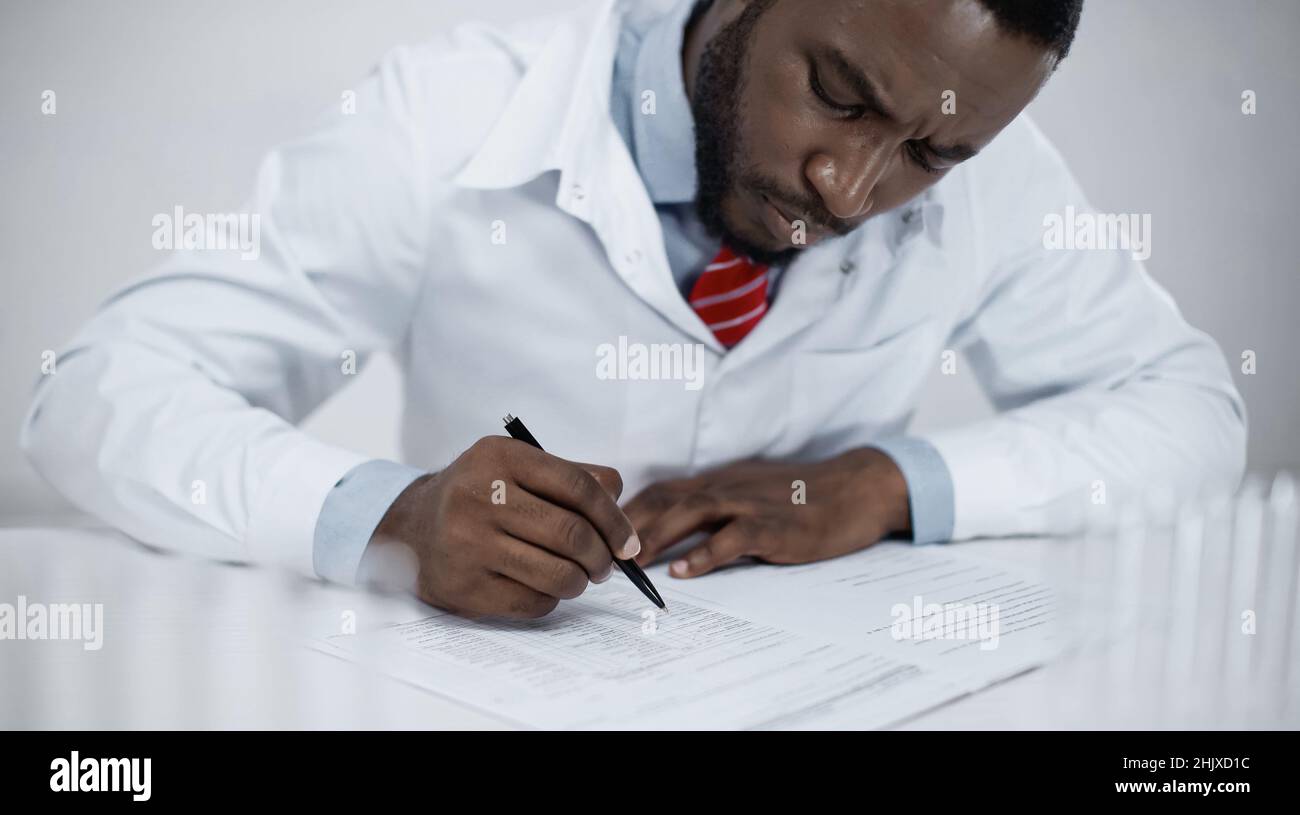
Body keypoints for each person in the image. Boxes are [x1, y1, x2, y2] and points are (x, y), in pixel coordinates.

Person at [21, 0, 1246, 619]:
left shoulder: (992, 180)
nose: (852, 187)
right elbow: (97, 390)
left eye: (932, 156)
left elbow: (1191, 411)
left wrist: (887, 482)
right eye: (836, 94)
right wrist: (387, 514)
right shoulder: (451, 113)